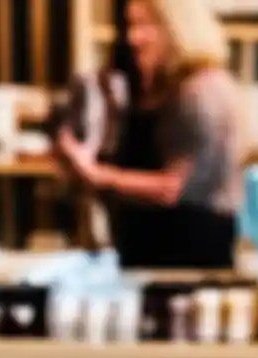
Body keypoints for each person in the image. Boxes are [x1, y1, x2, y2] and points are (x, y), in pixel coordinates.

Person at [58, 0, 242, 269]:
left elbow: (173, 188)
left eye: (145, 25)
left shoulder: (200, 92)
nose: (134, 38)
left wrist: (98, 175)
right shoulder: (170, 88)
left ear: (178, 28)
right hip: (152, 260)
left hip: (185, 262)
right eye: (131, 26)